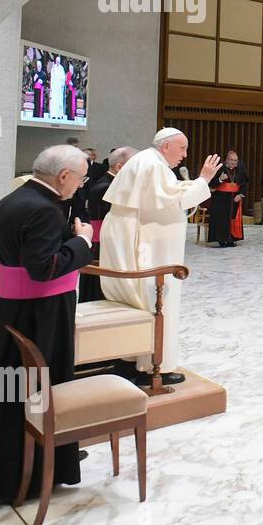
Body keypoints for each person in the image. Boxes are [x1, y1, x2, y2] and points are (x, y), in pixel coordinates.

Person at [0, 145, 94, 506]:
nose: (80, 186)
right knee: (37, 391)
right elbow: (45, 268)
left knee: (4, 389)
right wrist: (83, 241)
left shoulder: (14, 198)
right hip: (41, 314)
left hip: (9, 309)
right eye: (80, 179)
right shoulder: (45, 211)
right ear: (63, 176)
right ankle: (33, 471)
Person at [100, 129, 220, 386]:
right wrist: (203, 180)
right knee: (154, 300)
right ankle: (153, 367)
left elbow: (170, 191)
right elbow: (173, 200)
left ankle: (131, 361)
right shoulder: (153, 165)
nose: (185, 155)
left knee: (135, 300)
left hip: (136, 239)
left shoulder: (148, 162)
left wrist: (196, 183)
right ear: (166, 146)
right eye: (182, 148)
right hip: (147, 247)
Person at [78, 146, 137, 303]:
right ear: (120, 167)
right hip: (101, 246)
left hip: (108, 242)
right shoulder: (106, 187)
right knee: (97, 292)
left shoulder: (112, 184)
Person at [207, 150, 248, 248]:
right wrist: (220, 179)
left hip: (234, 199)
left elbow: (244, 183)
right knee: (221, 220)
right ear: (227, 160)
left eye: (236, 160)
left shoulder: (240, 168)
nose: (234, 162)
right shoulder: (220, 168)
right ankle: (221, 240)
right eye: (232, 160)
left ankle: (231, 239)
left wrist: (241, 194)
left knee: (232, 219)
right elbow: (211, 184)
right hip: (220, 199)